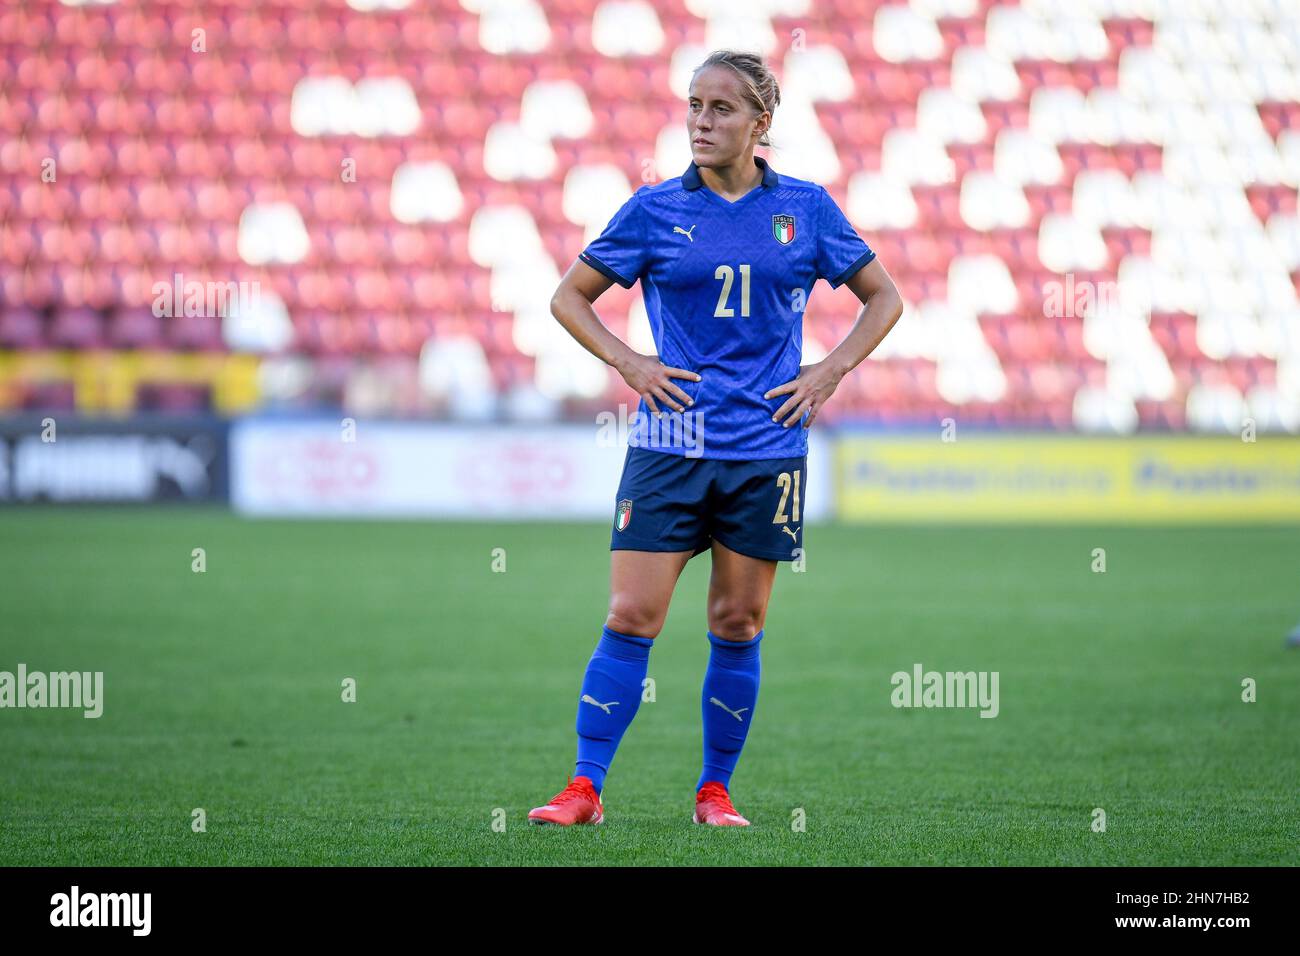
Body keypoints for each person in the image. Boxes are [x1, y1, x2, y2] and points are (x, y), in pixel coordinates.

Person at [529, 49, 903, 827]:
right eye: (694, 105)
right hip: (670, 446)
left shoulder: (804, 208)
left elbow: (883, 297)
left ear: (761, 123)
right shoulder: (655, 209)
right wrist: (630, 362)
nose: (701, 121)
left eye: (721, 108)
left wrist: (827, 372)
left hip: (765, 450)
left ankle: (714, 792)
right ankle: (584, 788)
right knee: (632, 617)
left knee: (738, 623)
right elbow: (569, 298)